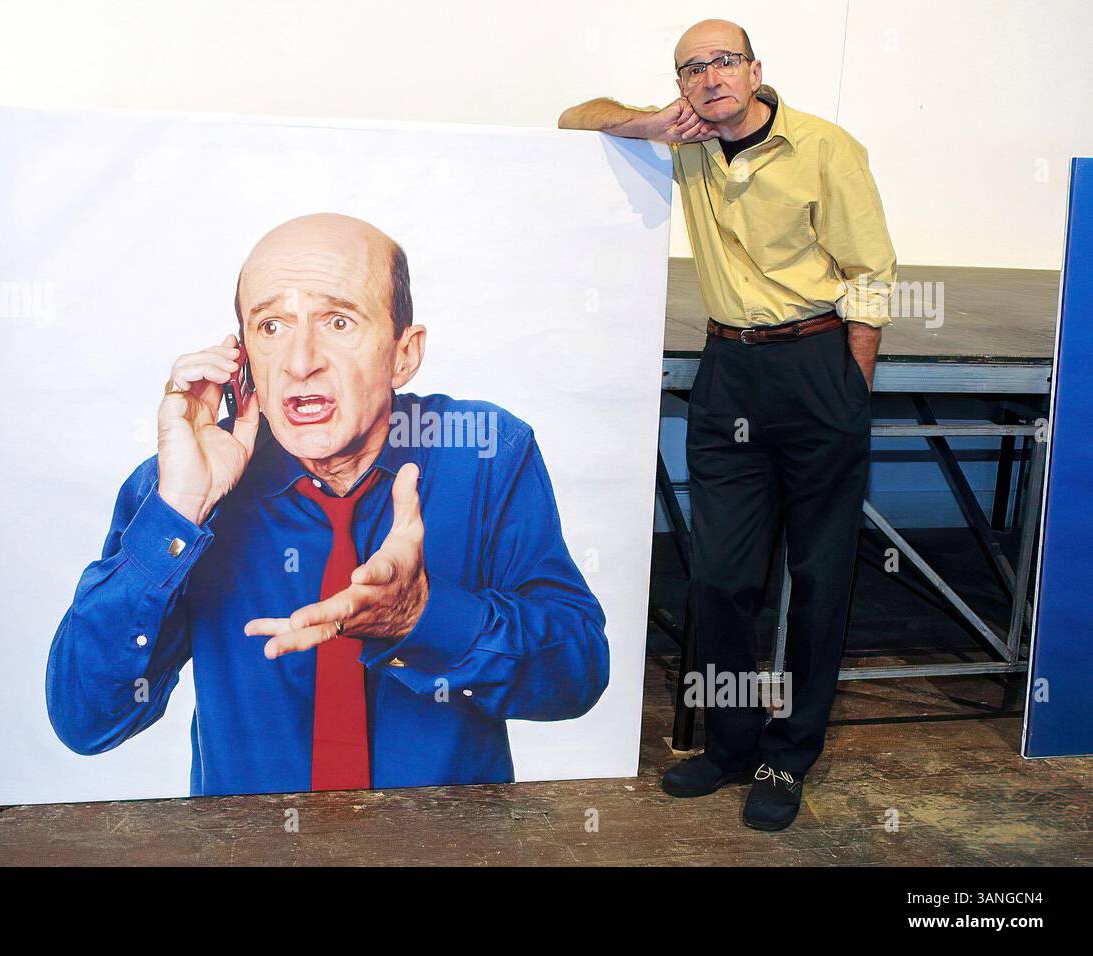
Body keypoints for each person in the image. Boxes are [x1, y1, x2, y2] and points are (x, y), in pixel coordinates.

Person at [45, 212, 609, 796]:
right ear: (243, 364)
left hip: (444, 847)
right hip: (252, 850)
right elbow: (87, 721)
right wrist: (179, 512)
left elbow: (578, 675)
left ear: (404, 353)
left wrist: (423, 618)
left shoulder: (487, 452)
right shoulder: (182, 486)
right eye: (271, 327)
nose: (300, 360)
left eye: (339, 321)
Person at [560, 18, 895, 830]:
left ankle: (791, 752)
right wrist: (643, 124)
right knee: (720, 576)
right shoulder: (687, 144)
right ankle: (733, 743)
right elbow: (574, 120)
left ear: (755, 69)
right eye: (691, 69)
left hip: (816, 364)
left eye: (724, 62)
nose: (710, 78)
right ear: (680, 85)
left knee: (817, 579)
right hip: (728, 372)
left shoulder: (826, 147)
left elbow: (869, 272)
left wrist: (850, 386)